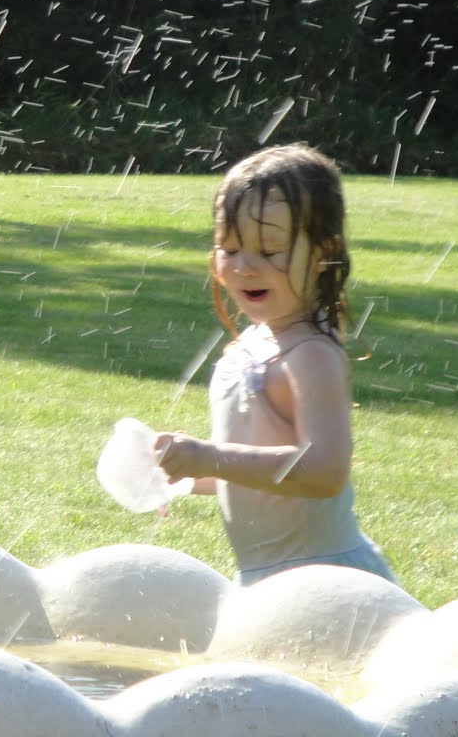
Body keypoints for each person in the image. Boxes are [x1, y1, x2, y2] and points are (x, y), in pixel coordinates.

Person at [154, 143, 396, 586]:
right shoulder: (254, 343)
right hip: (274, 586)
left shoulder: (311, 355)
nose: (245, 267)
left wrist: (209, 456)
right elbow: (261, 476)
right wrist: (186, 474)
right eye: (229, 247)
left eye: (268, 251)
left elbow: (324, 472)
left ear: (323, 253)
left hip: (330, 585)